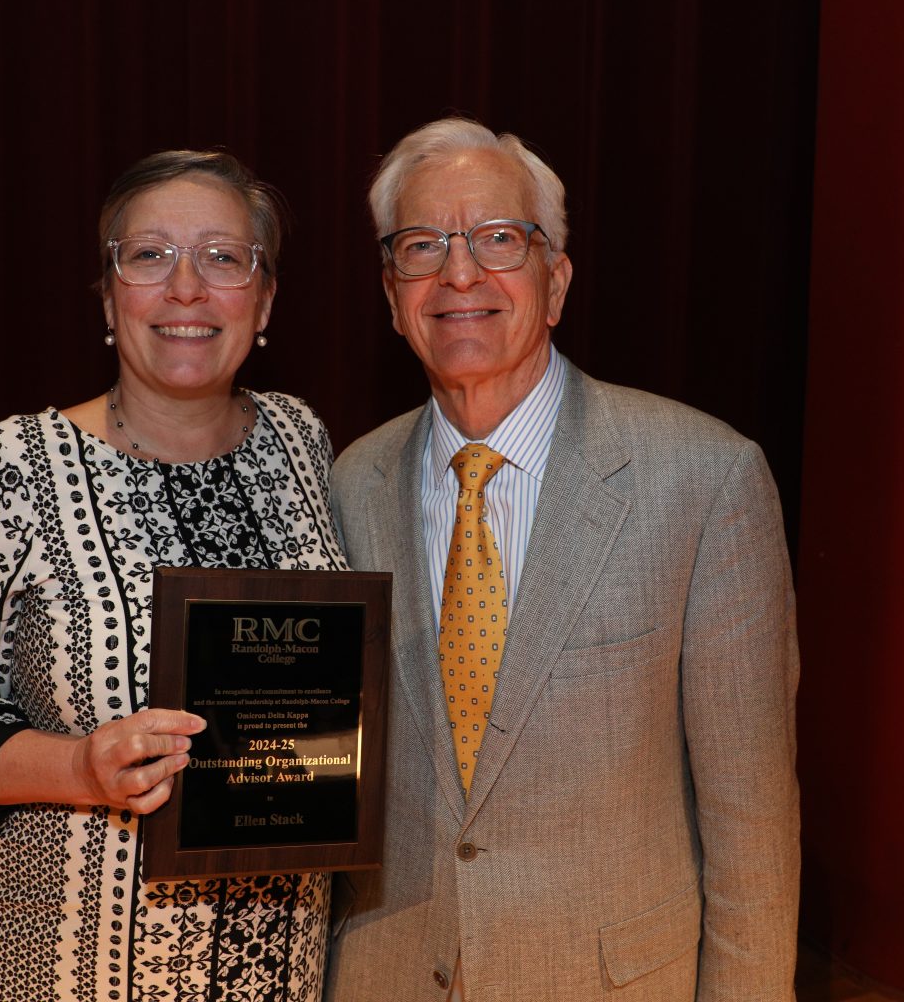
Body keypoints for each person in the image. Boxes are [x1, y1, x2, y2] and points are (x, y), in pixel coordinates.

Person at [324, 118, 800, 1000]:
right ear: (392, 297)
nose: (459, 274)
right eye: (422, 246)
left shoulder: (704, 478)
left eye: (500, 239)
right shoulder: (350, 482)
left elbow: (753, 819)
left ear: (557, 282)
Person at [0, 150, 345, 1002]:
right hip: (71, 963)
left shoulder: (300, 441)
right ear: (108, 293)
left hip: (280, 960)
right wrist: (81, 769)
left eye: (223, 257)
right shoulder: (10, 467)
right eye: (149, 255)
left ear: (264, 300)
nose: (186, 289)